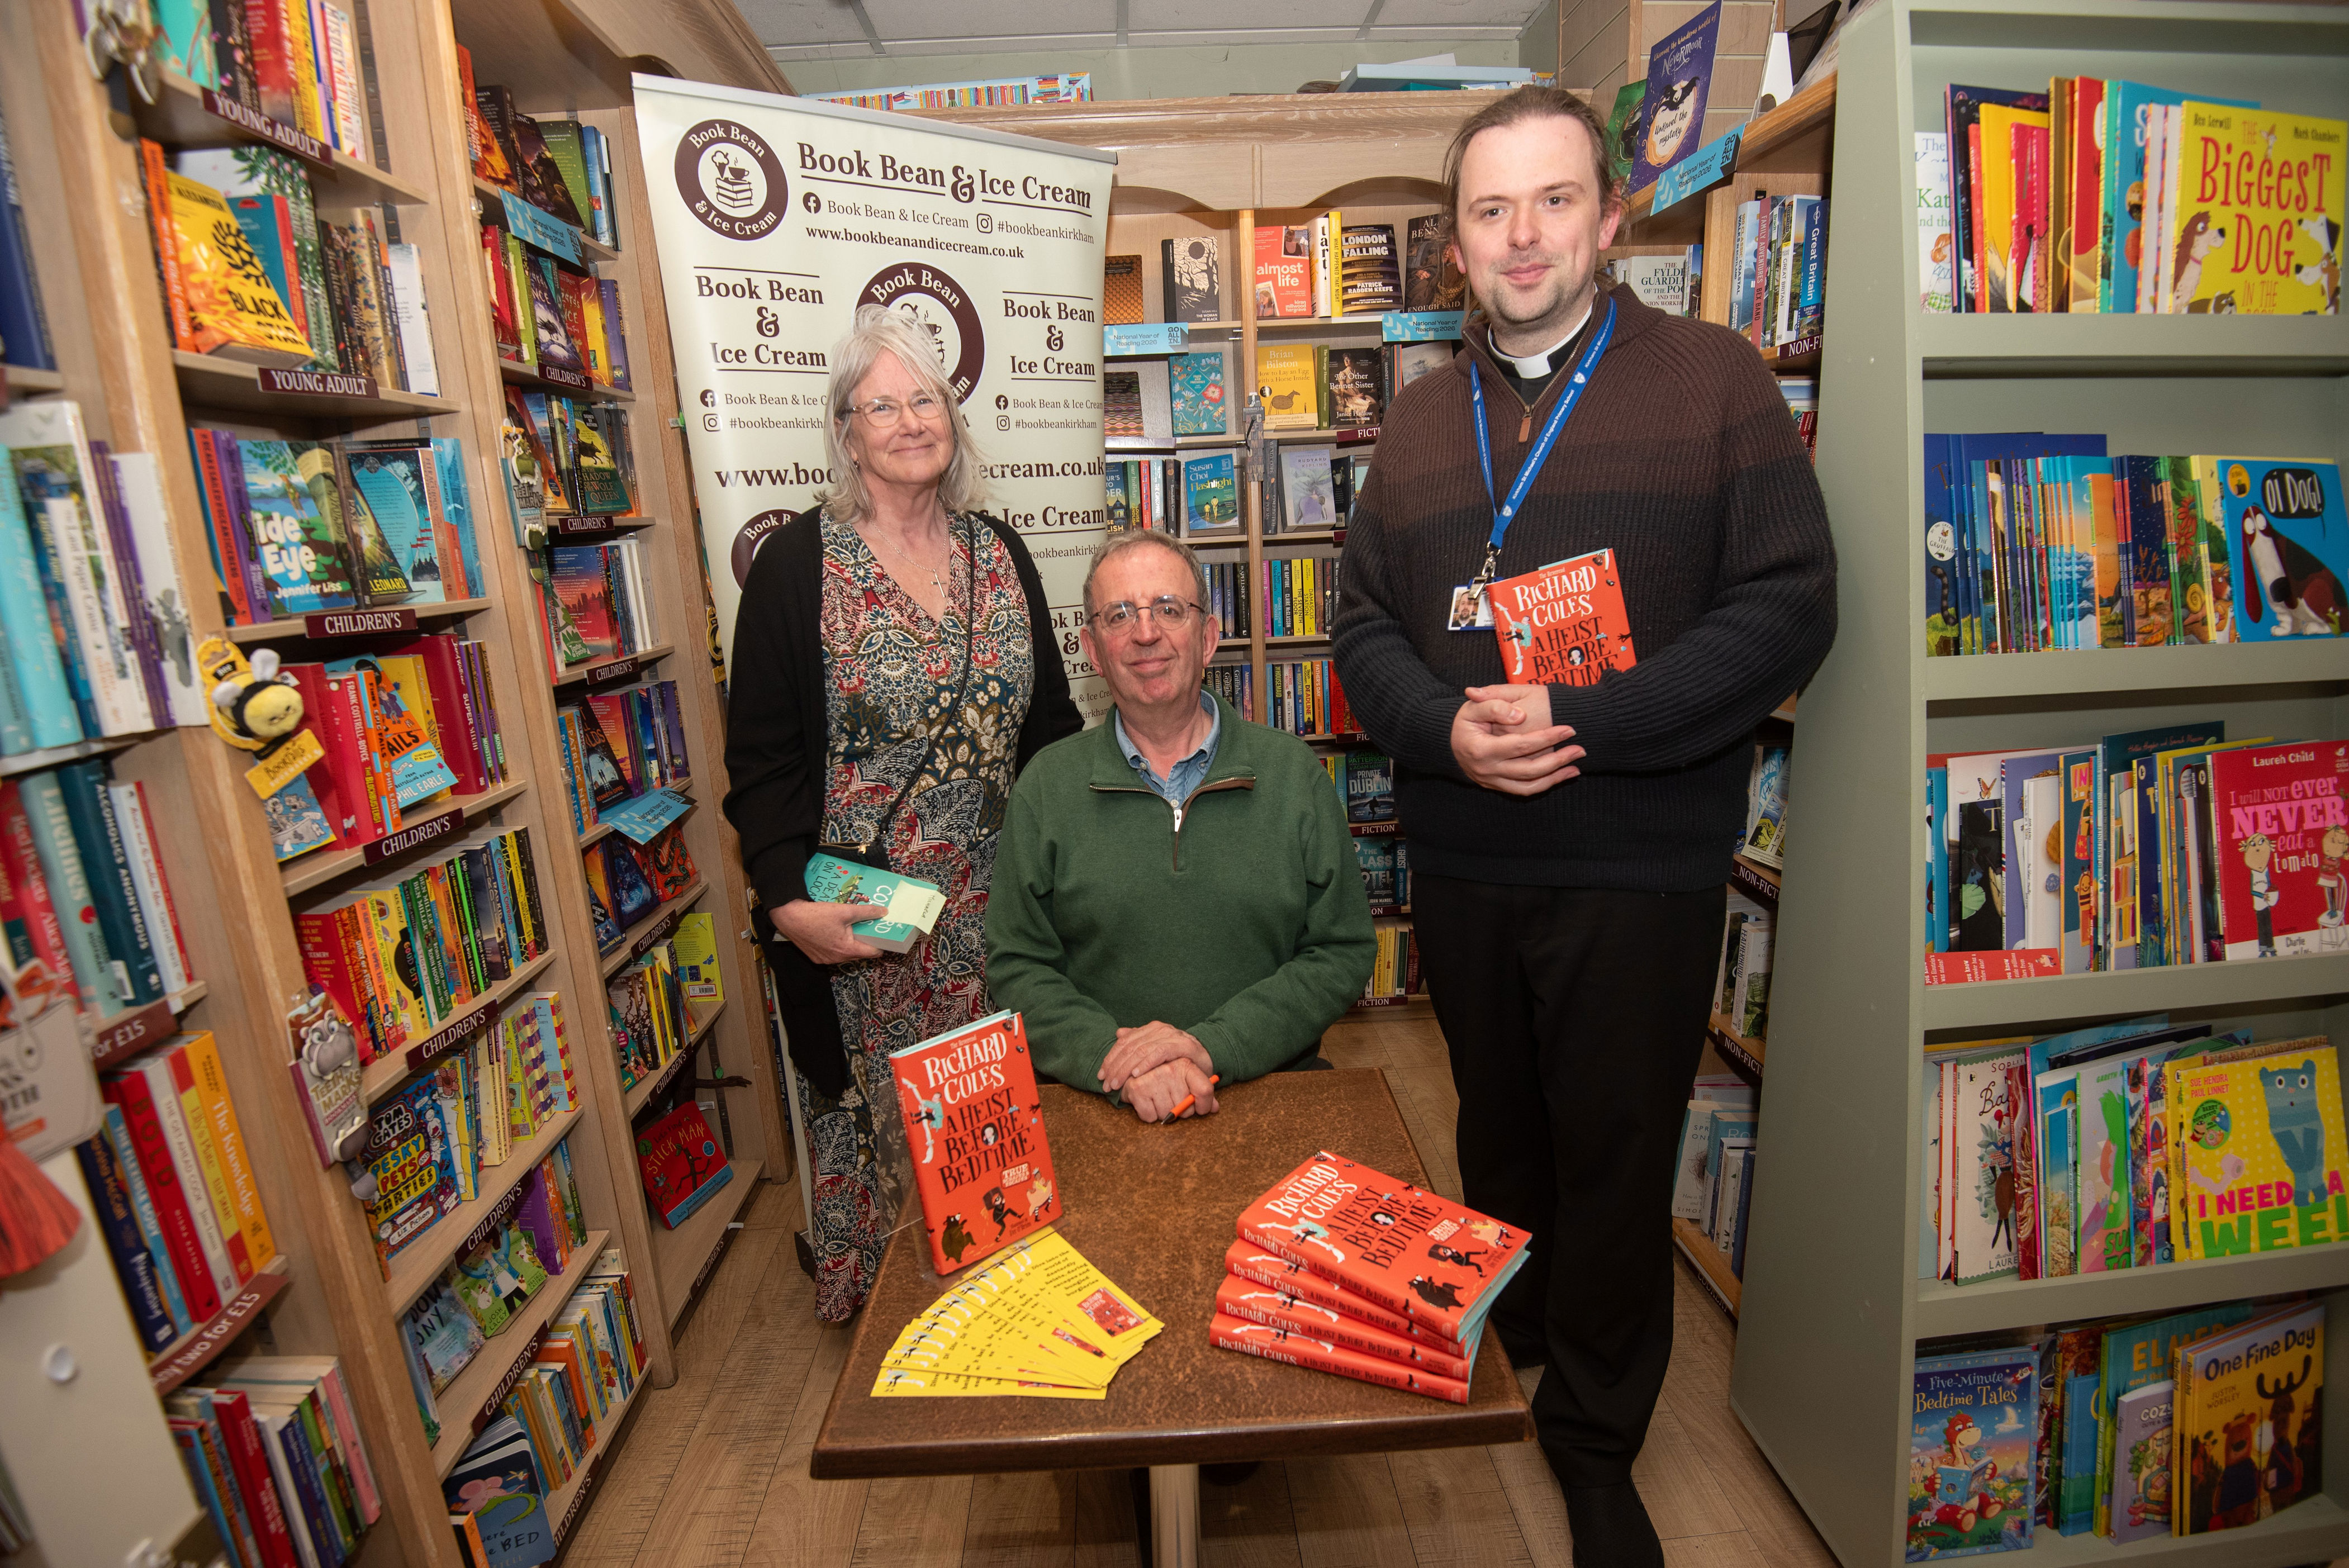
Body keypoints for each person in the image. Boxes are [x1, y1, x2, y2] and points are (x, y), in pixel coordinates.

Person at [1330, 87, 1837, 1565]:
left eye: (1552, 201)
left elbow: (1788, 604)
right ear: (1456, 245)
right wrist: (1437, 726)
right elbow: (1363, 625)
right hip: (1468, 853)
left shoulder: (1716, 378)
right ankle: (1525, 1323)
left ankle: (1595, 1435)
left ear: (1610, 218)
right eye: (1490, 212)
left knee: (1616, 1147)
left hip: (1638, 854)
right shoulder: (1422, 422)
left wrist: (1583, 725)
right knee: (1499, 1120)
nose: (1523, 236)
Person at [723, 303, 1082, 1322]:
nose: (908, 419)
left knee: (989, 1142)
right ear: (846, 430)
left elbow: (1050, 730)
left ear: (953, 417)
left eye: (925, 396)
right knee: (865, 1137)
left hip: (996, 925)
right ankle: (884, 1317)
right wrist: (789, 903)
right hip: (858, 934)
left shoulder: (1000, 551)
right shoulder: (798, 567)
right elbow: (760, 759)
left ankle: (995, 1308)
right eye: (880, 404)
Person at [986, 530, 1373, 1123]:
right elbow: (1017, 965)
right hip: (1103, 1104)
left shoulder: (1292, 775)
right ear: (1092, 648)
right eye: (1120, 615)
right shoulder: (1046, 786)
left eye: (1169, 609)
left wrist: (1208, 1045)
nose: (1146, 634)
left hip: (1272, 1095)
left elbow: (1341, 951)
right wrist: (1117, 1060)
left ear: (1209, 636)